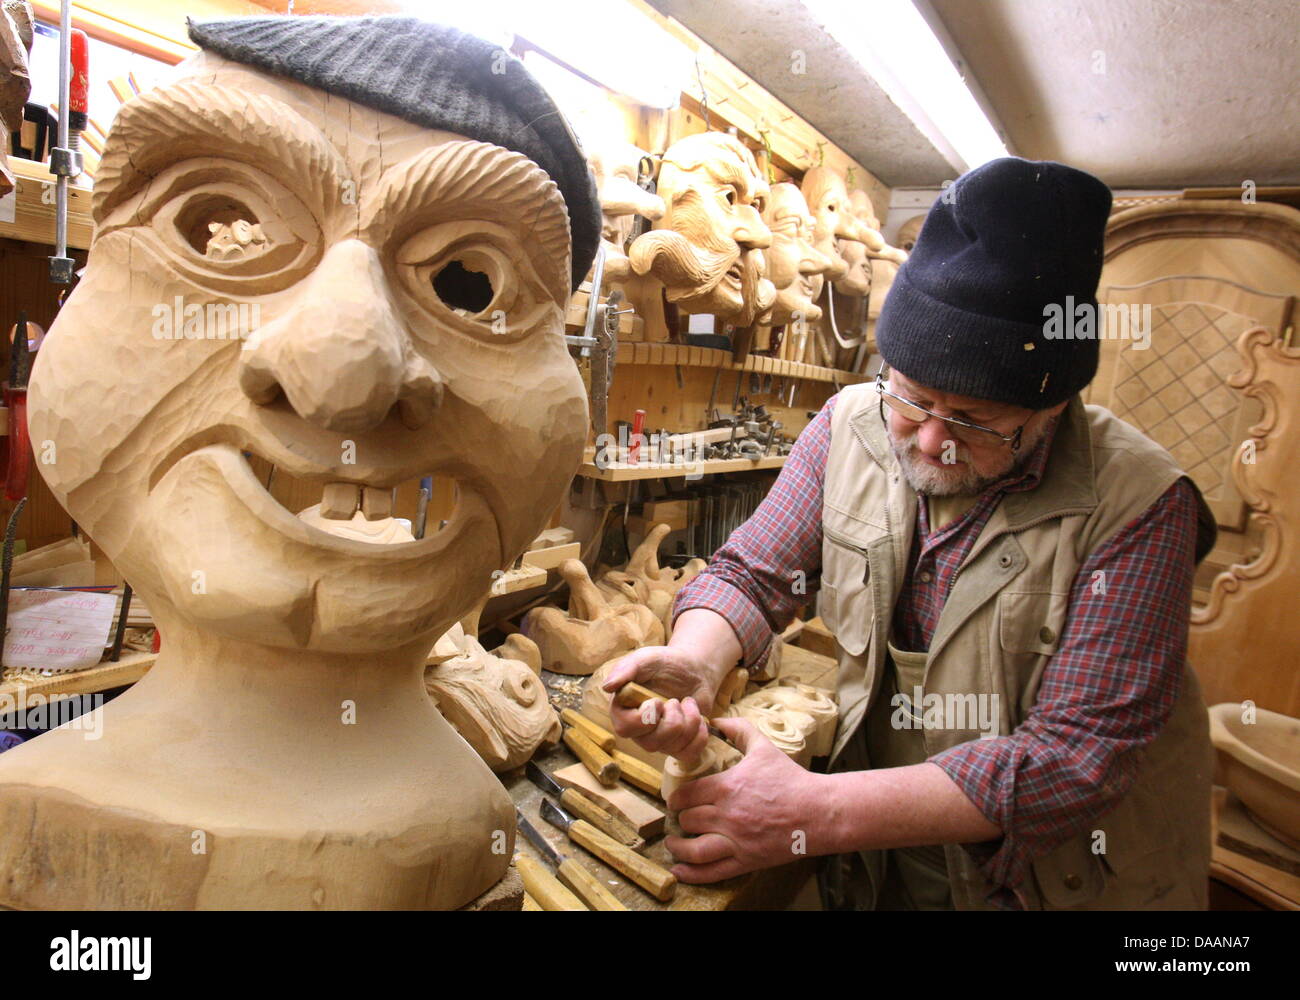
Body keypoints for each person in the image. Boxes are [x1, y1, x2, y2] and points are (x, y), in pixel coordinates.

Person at [605, 157, 1218, 911]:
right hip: (881, 850)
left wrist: (814, 813)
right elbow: (754, 574)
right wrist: (697, 663)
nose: (930, 443)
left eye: (974, 422)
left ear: (1054, 407)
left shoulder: (1142, 504)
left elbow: (1073, 760)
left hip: (1053, 880)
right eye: (912, 398)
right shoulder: (850, 424)